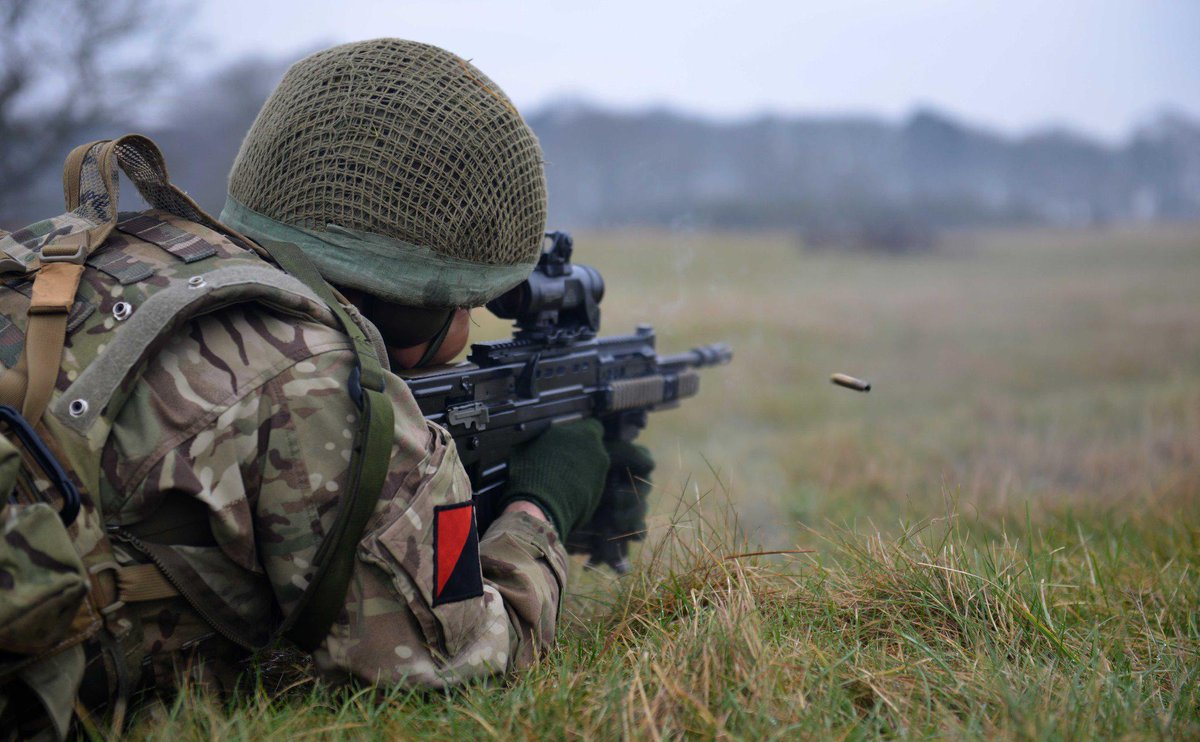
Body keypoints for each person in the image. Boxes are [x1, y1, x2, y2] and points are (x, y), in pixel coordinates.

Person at [0, 38, 639, 733]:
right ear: (415, 307)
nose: (466, 327)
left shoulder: (105, 253)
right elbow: (457, 667)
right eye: (467, 305)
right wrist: (542, 506)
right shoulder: (315, 380)